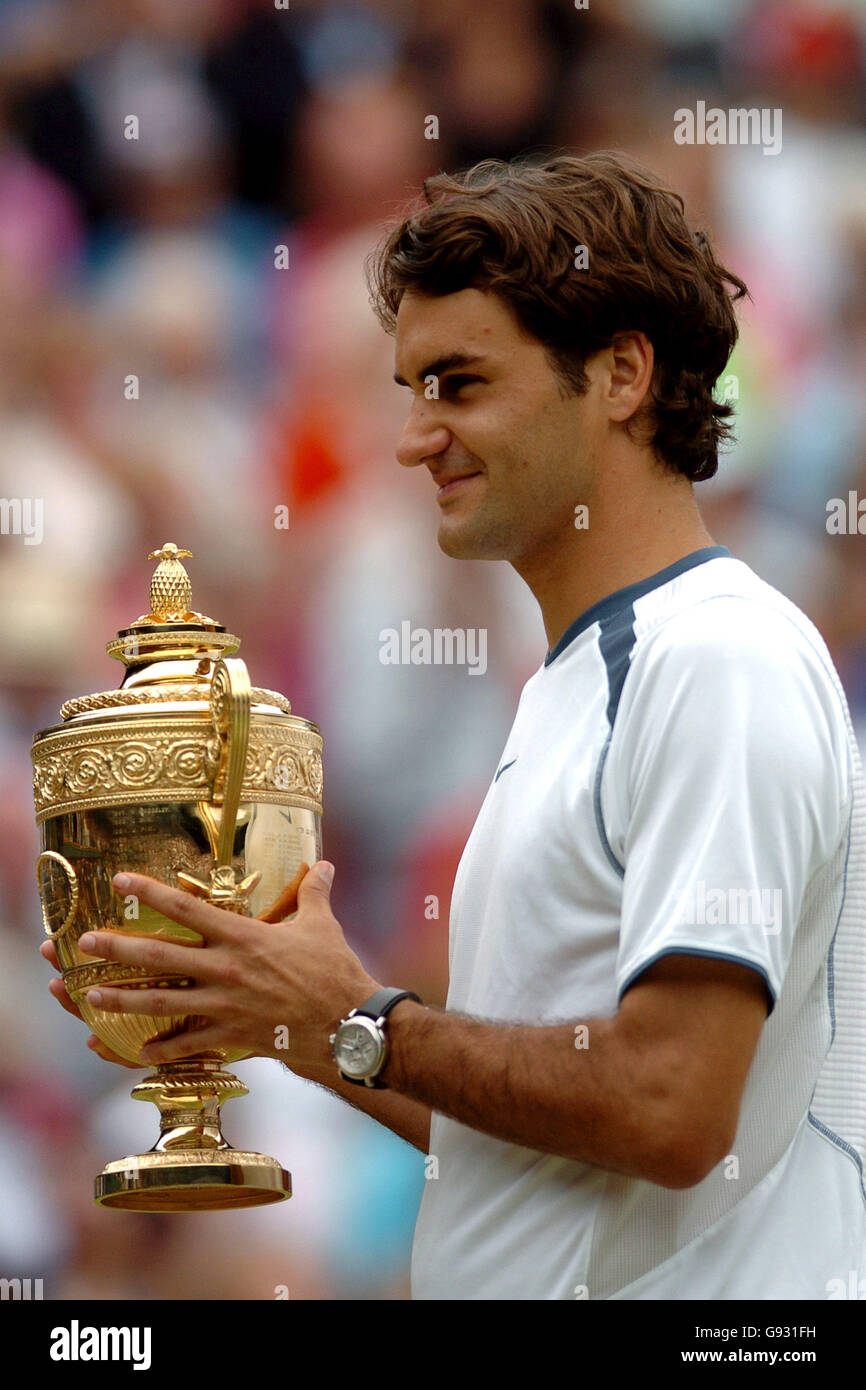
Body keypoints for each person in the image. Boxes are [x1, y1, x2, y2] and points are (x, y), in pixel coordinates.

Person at [44, 152, 866, 1300]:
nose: (413, 437)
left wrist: (355, 1014)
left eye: (459, 384)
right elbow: (538, 1159)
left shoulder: (714, 657)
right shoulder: (582, 679)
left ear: (620, 374)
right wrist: (297, 1025)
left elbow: (669, 1105)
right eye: (411, 389)